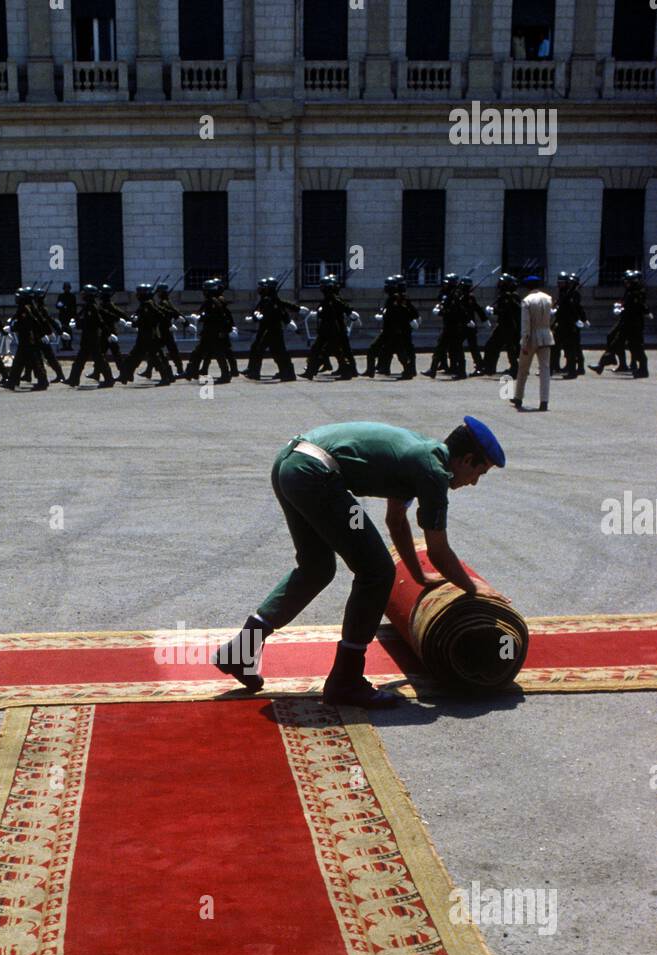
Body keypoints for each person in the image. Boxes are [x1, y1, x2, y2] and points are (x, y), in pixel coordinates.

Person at [212, 418, 506, 708]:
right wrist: (474, 589)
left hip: (291, 463)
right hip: (316, 475)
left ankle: (242, 649)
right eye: (479, 472)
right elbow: (439, 552)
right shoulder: (432, 472)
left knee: (317, 568)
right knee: (376, 572)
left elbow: (396, 521)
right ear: (467, 459)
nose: (474, 482)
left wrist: (419, 576)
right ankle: (346, 681)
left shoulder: (422, 455)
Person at [512, 275, 554, 411]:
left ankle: (518, 396)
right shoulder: (548, 298)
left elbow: (526, 324)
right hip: (546, 335)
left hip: (532, 337)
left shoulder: (526, 301)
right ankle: (544, 401)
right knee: (545, 370)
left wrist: (524, 342)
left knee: (523, 369)